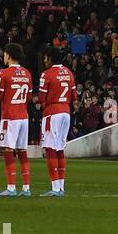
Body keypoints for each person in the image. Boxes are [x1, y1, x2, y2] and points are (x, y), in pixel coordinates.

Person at [0, 43, 33, 197]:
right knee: (22, 151)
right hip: (23, 116)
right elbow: (29, 97)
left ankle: (11, 188)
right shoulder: (27, 73)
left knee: (8, 150)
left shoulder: (3, 74)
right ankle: (26, 188)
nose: (3, 56)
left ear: (9, 56)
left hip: (10, 116)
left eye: (5, 54)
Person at [38, 47, 73, 196]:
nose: (44, 60)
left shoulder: (46, 74)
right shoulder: (69, 73)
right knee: (59, 148)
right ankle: (61, 187)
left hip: (52, 113)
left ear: (51, 58)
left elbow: (41, 99)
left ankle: (54, 188)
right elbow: (74, 96)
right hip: (66, 112)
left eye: (46, 58)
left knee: (50, 148)